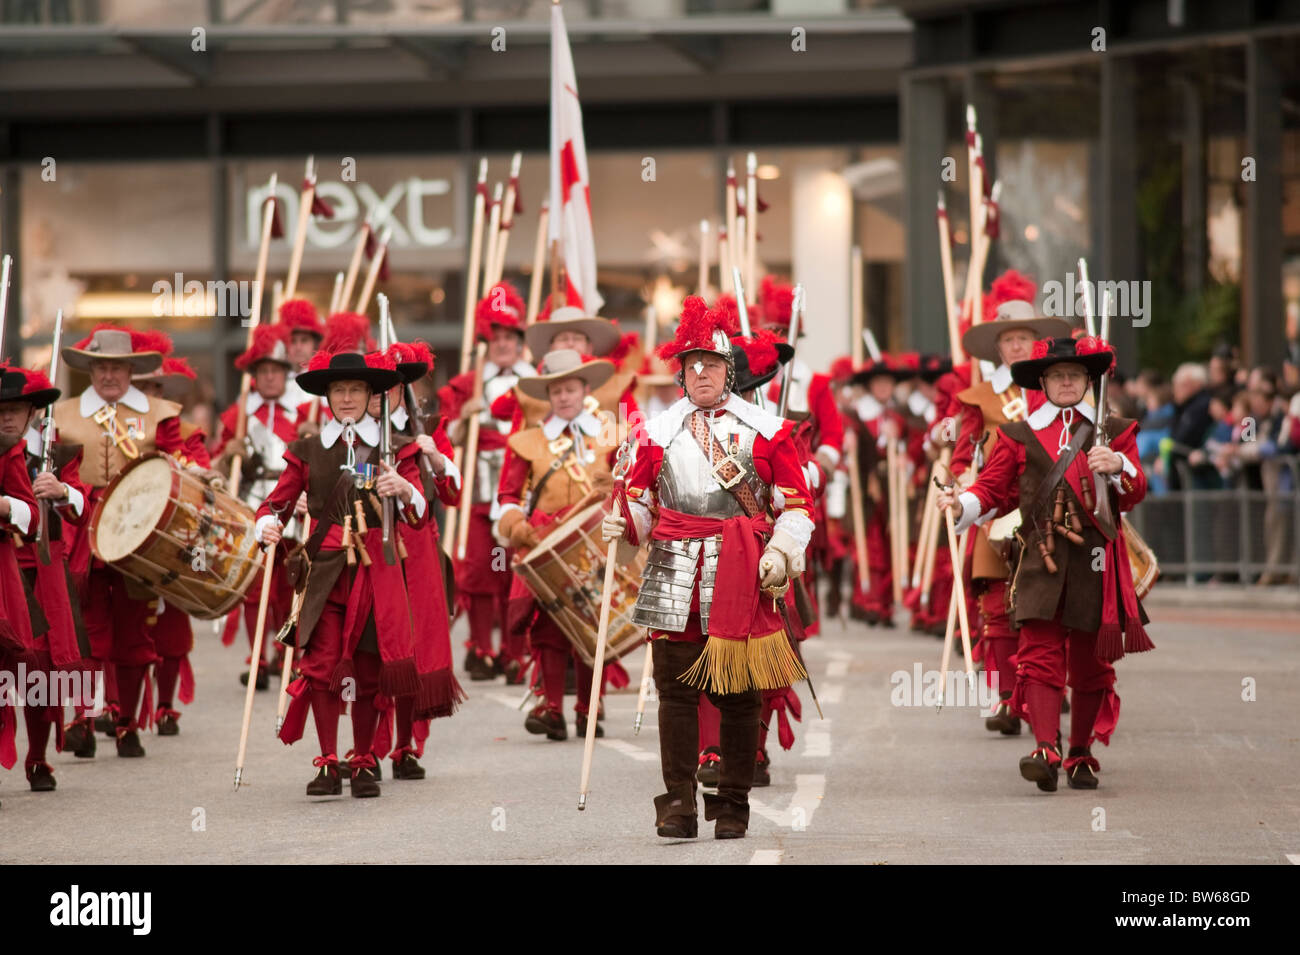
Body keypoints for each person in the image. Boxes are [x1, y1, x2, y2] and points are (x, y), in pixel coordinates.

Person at [601, 295, 813, 840]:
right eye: (691, 365)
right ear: (680, 372)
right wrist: (624, 525)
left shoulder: (769, 431)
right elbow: (643, 508)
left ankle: (734, 803)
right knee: (673, 691)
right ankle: (677, 803)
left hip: (743, 566)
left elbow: (797, 507)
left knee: (739, 692)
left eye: (711, 365)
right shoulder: (655, 432)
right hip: (673, 569)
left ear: (729, 371)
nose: (701, 374)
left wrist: (781, 550)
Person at [936, 335, 1154, 792]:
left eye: (1076, 374)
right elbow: (991, 491)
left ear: (1089, 380)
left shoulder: (1113, 430)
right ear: (1044, 382)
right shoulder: (1017, 435)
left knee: (1092, 664)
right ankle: (1044, 747)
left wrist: (1116, 464)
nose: (1068, 382)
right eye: (1058, 375)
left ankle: (1080, 753)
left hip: (1097, 559)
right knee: (1038, 653)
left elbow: (1136, 492)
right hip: (1041, 557)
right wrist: (961, 504)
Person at [256, 349, 431, 799]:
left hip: (376, 571)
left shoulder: (398, 446)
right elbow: (274, 503)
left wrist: (404, 487)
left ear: (372, 394)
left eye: (356, 389)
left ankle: (364, 758)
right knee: (321, 667)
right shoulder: (307, 450)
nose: (348, 397)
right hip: (325, 571)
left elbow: (420, 512)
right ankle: (329, 761)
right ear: (327, 396)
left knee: (370, 667)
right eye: (339, 389)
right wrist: (268, 524)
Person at [52, 327, 191, 758]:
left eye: (116, 367)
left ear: (132, 370)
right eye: (100, 366)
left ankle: (128, 723)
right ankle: (83, 716)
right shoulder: (62, 415)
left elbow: (179, 466)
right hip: (82, 528)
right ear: (90, 370)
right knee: (87, 629)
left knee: (134, 631)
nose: (108, 375)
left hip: (139, 529)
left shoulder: (160, 413)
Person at [948, 295, 1065, 732]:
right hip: (996, 508)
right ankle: (1003, 698)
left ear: (1038, 343)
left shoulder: (1058, 387)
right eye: (1009, 339)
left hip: (1051, 508)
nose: (1016, 346)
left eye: (1024, 337)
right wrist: (961, 482)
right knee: (997, 606)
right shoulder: (978, 398)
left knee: (1052, 603)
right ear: (998, 348)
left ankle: (1047, 687)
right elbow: (962, 454)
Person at [494, 349, 620, 740]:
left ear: (585, 389)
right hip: (545, 540)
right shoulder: (527, 442)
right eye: (556, 390)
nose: (564, 396)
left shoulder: (611, 434)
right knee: (549, 623)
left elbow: (630, 485)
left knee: (592, 621)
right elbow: (508, 495)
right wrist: (516, 525)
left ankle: (589, 706)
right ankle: (552, 706)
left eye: (570, 388)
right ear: (548, 395)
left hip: (593, 538)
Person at [438, 283, 533, 681]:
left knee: (517, 569)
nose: (503, 344)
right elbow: (446, 438)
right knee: (479, 570)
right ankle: (481, 647)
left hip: (522, 485)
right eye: (496, 337)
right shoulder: (465, 386)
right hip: (479, 487)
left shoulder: (537, 381)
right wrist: (465, 419)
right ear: (484, 342)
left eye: (510, 336)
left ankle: (517, 652)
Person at [2, 364, 90, 788]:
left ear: (33, 412)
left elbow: (82, 507)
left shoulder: (58, 452)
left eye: (15, 409)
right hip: (5, 570)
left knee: (40, 668)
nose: (6, 417)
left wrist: (62, 492)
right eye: (0, 410)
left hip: (43, 571)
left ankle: (36, 757)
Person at [215, 324, 302, 689]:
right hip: (253, 504)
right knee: (254, 585)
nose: (270, 378)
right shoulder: (238, 417)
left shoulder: (304, 411)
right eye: (263, 371)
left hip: (293, 503)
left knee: (290, 582)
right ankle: (258, 656)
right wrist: (227, 455)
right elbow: (216, 464)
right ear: (254, 377)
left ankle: (286, 652)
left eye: (276, 371)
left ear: (285, 374)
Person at [131, 348, 212, 736]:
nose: (151, 395)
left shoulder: (187, 433)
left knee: (173, 628)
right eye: (143, 388)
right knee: (122, 625)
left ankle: (165, 705)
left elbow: (205, 475)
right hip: (129, 536)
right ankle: (117, 707)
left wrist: (193, 472)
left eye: (156, 387)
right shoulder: (118, 432)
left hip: (176, 538)